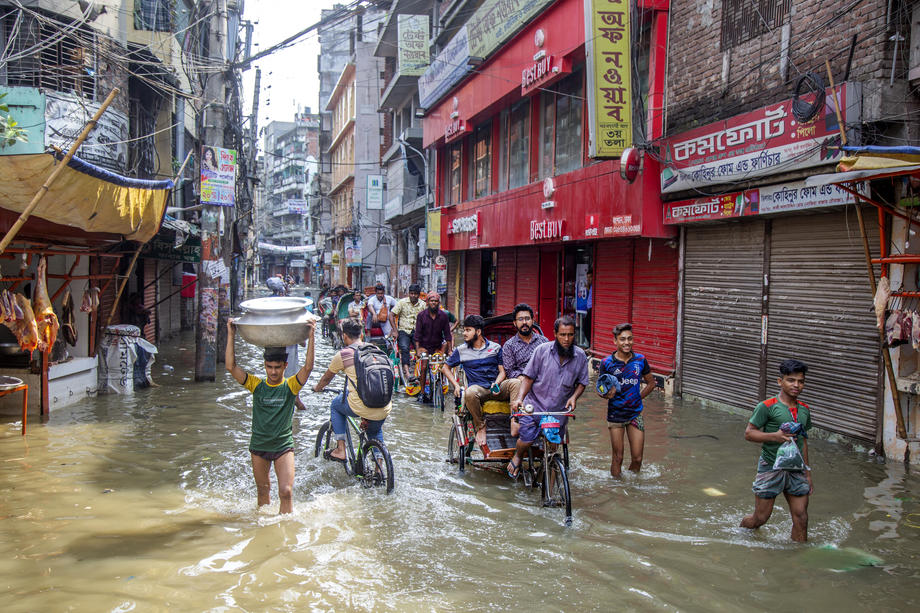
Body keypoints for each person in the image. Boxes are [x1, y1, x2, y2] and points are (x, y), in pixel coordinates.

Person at [224, 318, 315, 514]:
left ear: (285, 366)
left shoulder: (291, 386)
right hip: (259, 446)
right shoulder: (256, 385)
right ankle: (264, 529)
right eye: (269, 367)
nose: (273, 372)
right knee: (263, 491)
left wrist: (311, 335)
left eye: (277, 367)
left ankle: (287, 530)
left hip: (283, 446)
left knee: (286, 491)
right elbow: (231, 367)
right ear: (265, 366)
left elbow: (308, 368)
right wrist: (231, 334)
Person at [740, 359, 813, 542]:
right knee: (760, 519)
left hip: (796, 469)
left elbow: (803, 440)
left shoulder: (804, 409)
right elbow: (749, 434)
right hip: (771, 466)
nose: (796, 385)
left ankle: (797, 561)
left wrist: (807, 472)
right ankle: (742, 531)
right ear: (780, 382)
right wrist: (776, 436)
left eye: (801, 381)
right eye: (791, 380)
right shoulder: (767, 406)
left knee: (801, 518)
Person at [508, 316, 589, 479]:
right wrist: (519, 398)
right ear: (555, 334)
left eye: (571, 335)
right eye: (563, 335)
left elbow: (582, 382)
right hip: (535, 406)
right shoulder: (542, 351)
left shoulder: (580, 356)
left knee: (553, 449)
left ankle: (552, 490)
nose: (567, 339)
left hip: (558, 411)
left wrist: (574, 397)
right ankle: (518, 456)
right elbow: (528, 378)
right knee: (526, 439)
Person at [312, 319, 392, 463]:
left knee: (336, 405)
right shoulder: (376, 350)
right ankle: (379, 466)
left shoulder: (344, 354)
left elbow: (326, 379)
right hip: (384, 406)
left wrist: (317, 388)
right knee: (374, 431)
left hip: (361, 405)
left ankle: (341, 450)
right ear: (361, 333)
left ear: (344, 335)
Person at [598, 323, 656, 478]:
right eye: (622, 339)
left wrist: (638, 397)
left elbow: (651, 383)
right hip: (615, 414)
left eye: (630, 339)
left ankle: (631, 486)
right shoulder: (606, 363)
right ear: (615, 341)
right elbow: (600, 389)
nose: (627, 342)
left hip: (635, 414)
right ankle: (617, 489)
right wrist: (606, 394)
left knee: (637, 458)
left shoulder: (640, 360)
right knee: (618, 457)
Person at [441, 314, 506, 447]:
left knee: (516, 384)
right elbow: (445, 368)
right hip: (478, 390)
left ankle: (516, 421)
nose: (464, 333)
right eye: (464, 330)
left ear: (478, 332)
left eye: (468, 330)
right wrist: (456, 386)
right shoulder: (461, 350)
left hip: (496, 386)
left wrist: (497, 383)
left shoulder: (496, 347)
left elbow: (502, 372)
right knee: (470, 392)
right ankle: (480, 427)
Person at [502, 303, 549, 436]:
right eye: (520, 319)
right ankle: (516, 420)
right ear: (514, 323)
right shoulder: (509, 345)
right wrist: (525, 377)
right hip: (521, 381)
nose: (524, 323)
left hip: (541, 380)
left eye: (527, 319)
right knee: (519, 383)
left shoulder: (543, 342)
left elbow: (549, 364)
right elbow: (510, 371)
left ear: (532, 321)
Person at [413, 292, 452, 402]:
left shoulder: (444, 316)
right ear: (427, 302)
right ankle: (421, 392)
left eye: (435, 301)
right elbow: (417, 335)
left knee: (440, 365)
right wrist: (418, 350)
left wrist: (449, 351)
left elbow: (448, 335)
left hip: (437, 346)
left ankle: (440, 383)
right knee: (424, 366)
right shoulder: (421, 315)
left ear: (439, 303)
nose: (433, 303)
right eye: (431, 301)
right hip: (424, 346)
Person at [391, 283, 426, 386]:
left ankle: (420, 372)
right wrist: (395, 330)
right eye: (411, 293)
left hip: (417, 332)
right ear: (409, 294)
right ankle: (407, 373)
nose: (413, 296)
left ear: (419, 295)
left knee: (420, 350)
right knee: (404, 348)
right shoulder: (402, 303)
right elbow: (391, 315)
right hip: (403, 331)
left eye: (416, 294)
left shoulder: (423, 305)